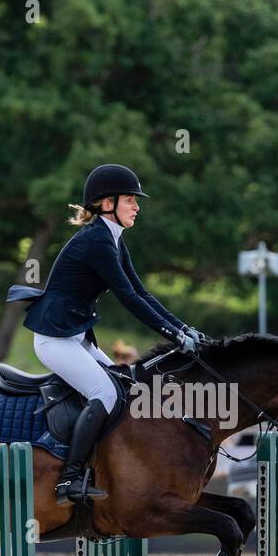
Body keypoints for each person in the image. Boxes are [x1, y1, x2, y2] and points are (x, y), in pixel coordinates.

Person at [22, 163, 206, 506]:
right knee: (105, 394)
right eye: (130, 200)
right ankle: (71, 478)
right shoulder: (96, 242)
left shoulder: (112, 239)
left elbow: (144, 293)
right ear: (107, 203)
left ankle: (102, 468)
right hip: (54, 339)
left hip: (74, 336)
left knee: (125, 386)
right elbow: (129, 299)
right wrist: (174, 335)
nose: (137, 206)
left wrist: (182, 328)